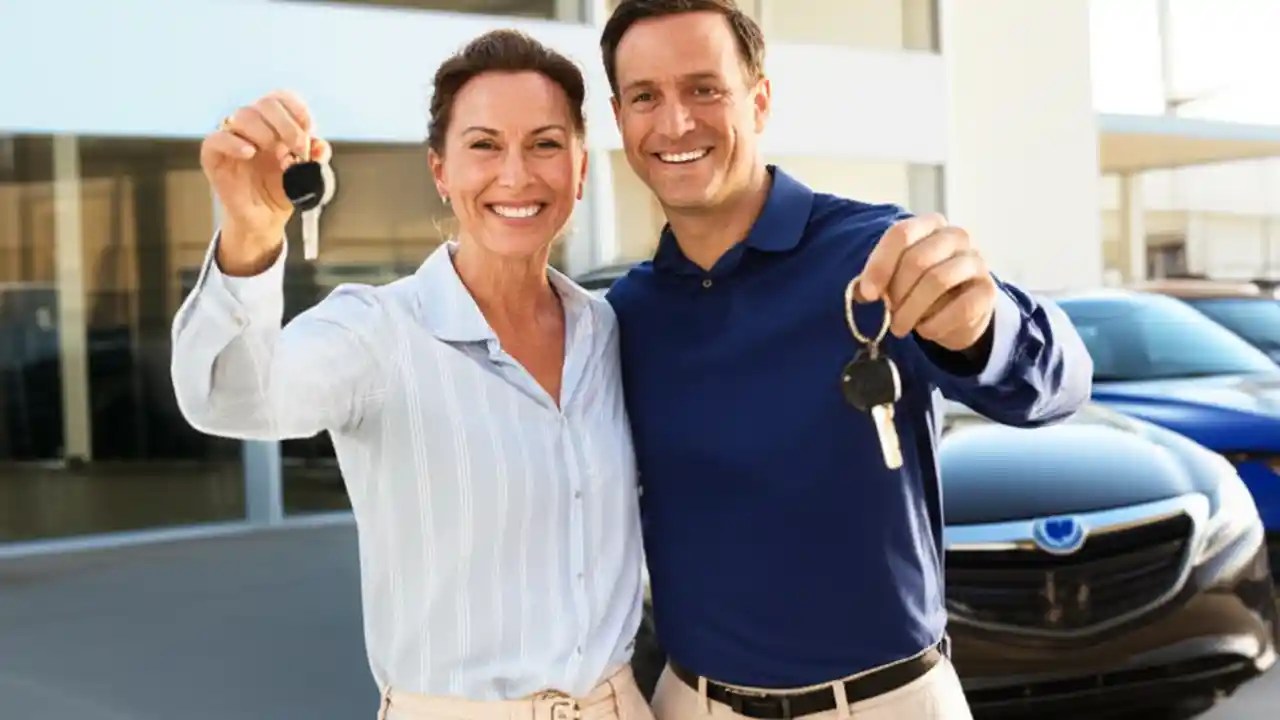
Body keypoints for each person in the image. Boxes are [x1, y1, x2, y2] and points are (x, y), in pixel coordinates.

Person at [597, 2, 1093, 719]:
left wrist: (982, 325)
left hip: (886, 703)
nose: (675, 123)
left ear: (758, 99)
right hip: (694, 705)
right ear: (621, 120)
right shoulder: (629, 314)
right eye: (647, 96)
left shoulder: (880, 252)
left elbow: (1061, 384)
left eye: (705, 88)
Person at [170, 29, 653, 720]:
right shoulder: (376, 333)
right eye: (484, 145)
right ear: (440, 170)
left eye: (545, 144)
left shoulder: (608, 331)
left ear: (579, 170)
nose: (515, 175)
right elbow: (231, 400)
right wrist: (251, 235)